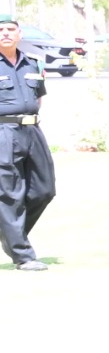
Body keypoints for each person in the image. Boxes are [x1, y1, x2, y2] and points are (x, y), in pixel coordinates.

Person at [0, 14, 55, 273]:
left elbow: (38, 96)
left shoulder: (32, 63)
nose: (6, 33)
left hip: (32, 130)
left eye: (11, 29)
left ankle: (9, 232)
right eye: (1, 30)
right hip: (3, 132)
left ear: (19, 34)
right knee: (10, 195)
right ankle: (23, 256)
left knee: (44, 190)